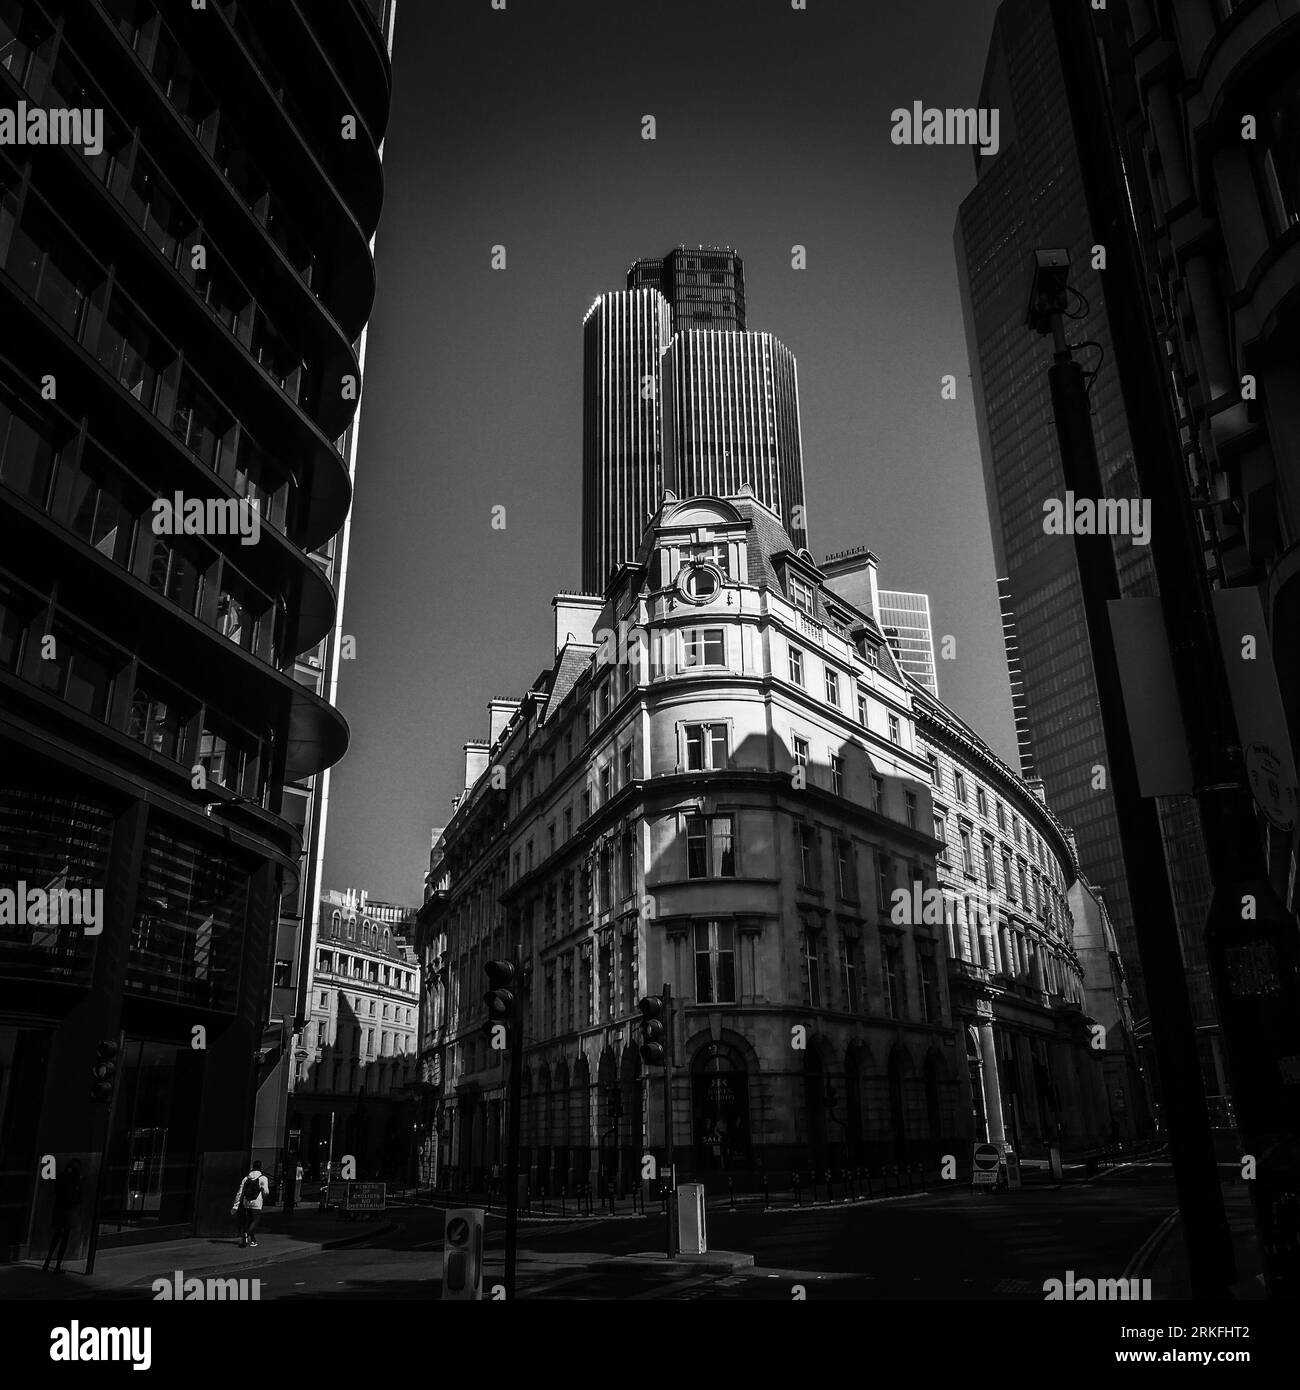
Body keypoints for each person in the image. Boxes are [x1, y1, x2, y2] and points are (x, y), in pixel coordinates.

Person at [43, 1158, 83, 1274]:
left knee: (56, 1235)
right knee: (65, 1237)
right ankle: (58, 1265)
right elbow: (77, 1196)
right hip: (68, 1210)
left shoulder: (61, 1177)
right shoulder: (76, 1179)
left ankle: (48, 1261)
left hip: (59, 1208)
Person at [232, 1158, 269, 1247]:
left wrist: (235, 1205)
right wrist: (264, 1195)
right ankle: (246, 1234)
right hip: (257, 1201)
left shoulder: (246, 1178)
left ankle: (253, 1240)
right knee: (255, 1220)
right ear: (261, 1167)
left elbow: (240, 1192)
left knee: (249, 1221)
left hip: (246, 1201)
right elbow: (266, 1192)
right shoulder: (262, 1178)